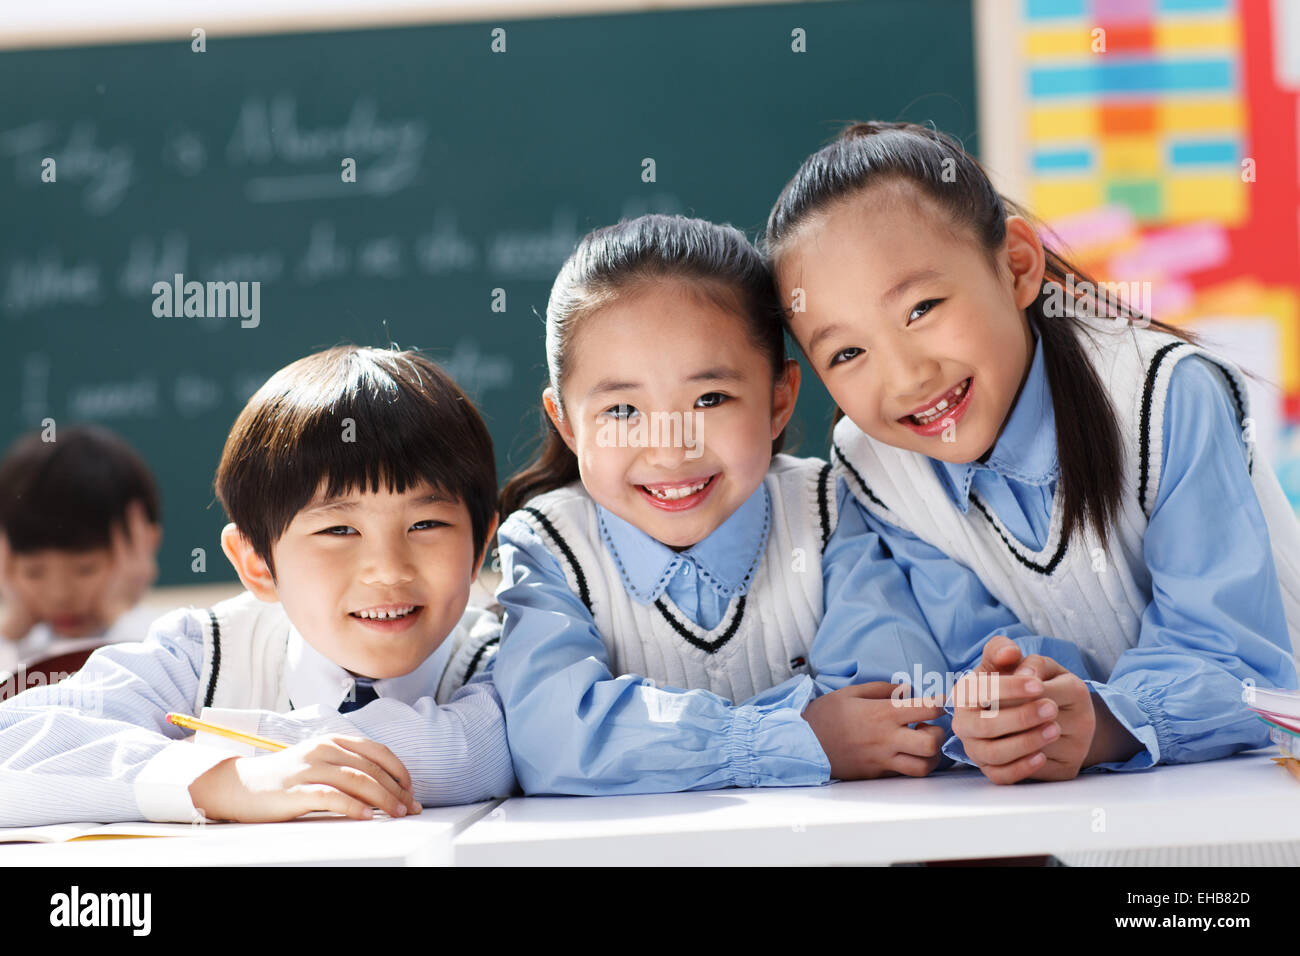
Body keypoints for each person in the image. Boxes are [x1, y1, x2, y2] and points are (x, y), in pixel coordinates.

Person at [763, 120, 1299, 788]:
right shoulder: (875, 467)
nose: (904, 377)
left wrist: (1094, 722)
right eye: (846, 353)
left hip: (1269, 787)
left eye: (922, 308)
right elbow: (978, 654)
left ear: (1017, 265)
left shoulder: (1163, 394)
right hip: (1106, 806)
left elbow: (1233, 657)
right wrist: (1020, 711)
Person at [492, 213, 984, 796]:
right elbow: (556, 741)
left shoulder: (828, 508)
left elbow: (894, 702)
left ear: (780, 400)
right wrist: (796, 736)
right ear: (568, 425)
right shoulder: (547, 547)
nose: (672, 450)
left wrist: (648, 745)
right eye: (622, 412)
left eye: (710, 398)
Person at [0, 346, 515, 826]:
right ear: (257, 564)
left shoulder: (499, 656)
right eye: (339, 530)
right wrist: (224, 780)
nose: (386, 569)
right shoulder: (200, 655)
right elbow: (12, 743)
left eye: (426, 525)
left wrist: (236, 745)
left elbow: (480, 751)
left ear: (479, 545)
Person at [0, 426, 162, 675]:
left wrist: (119, 611)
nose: (60, 595)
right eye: (34, 572)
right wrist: (10, 628)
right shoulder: (13, 648)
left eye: (85, 569)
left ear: (144, 544)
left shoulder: (166, 641)